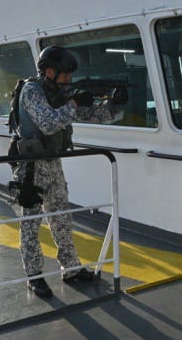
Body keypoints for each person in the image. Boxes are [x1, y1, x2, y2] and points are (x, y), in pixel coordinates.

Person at [10, 45, 126, 297]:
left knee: (61, 218)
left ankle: (71, 268)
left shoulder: (59, 93)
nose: (69, 80)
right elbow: (49, 124)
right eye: (66, 75)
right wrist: (74, 102)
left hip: (53, 164)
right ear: (49, 72)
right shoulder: (32, 91)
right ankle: (34, 275)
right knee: (31, 224)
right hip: (31, 167)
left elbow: (90, 114)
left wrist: (112, 105)